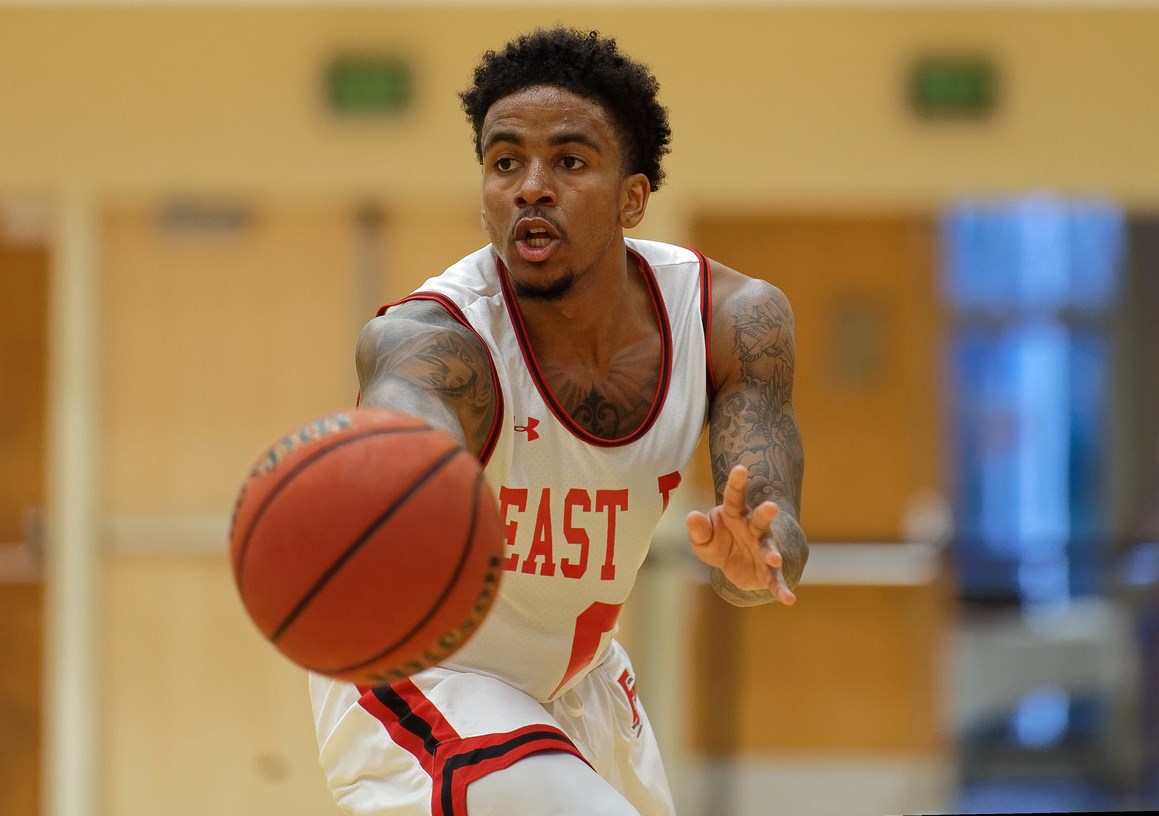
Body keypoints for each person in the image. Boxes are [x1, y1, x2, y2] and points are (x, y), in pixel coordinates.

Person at [309, 26, 807, 816]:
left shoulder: (732, 320)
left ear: (632, 198)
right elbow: (408, 416)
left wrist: (757, 564)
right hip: (416, 666)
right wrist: (402, 479)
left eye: (568, 162)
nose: (530, 187)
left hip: (577, 683)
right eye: (505, 162)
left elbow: (773, 541)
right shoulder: (435, 338)